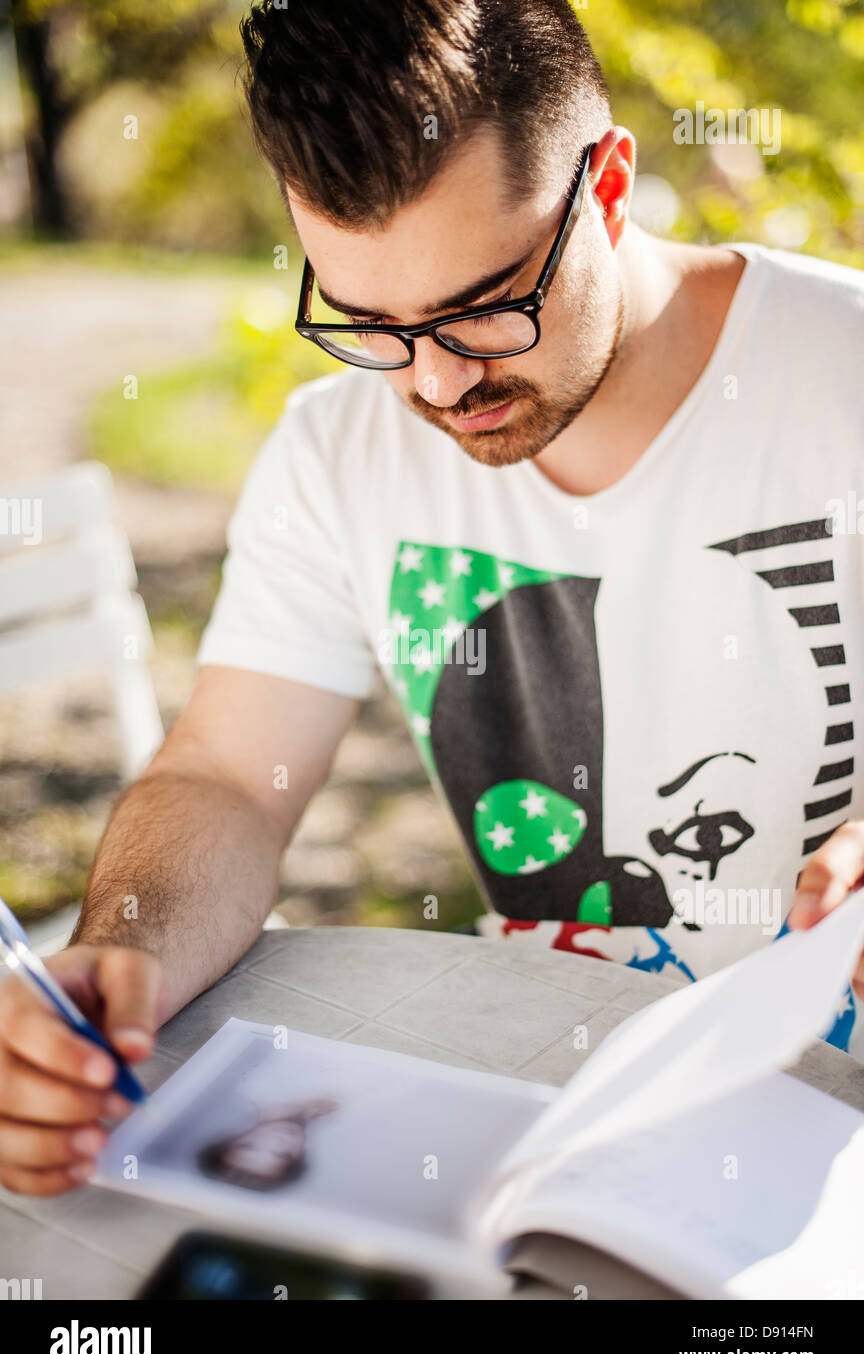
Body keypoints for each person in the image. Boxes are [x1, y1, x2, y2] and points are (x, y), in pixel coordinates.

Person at [1, 0, 863, 1198]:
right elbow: (232, 780)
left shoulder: (845, 376)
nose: (440, 382)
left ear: (609, 188)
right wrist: (120, 955)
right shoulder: (333, 454)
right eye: (369, 323)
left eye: (483, 305)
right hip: (535, 1129)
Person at [197, 1099, 338, 1191]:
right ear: (300, 1156)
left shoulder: (256, 1096)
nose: (276, 1139)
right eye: (283, 1154)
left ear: (232, 1138)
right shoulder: (334, 1123)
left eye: (248, 1145)